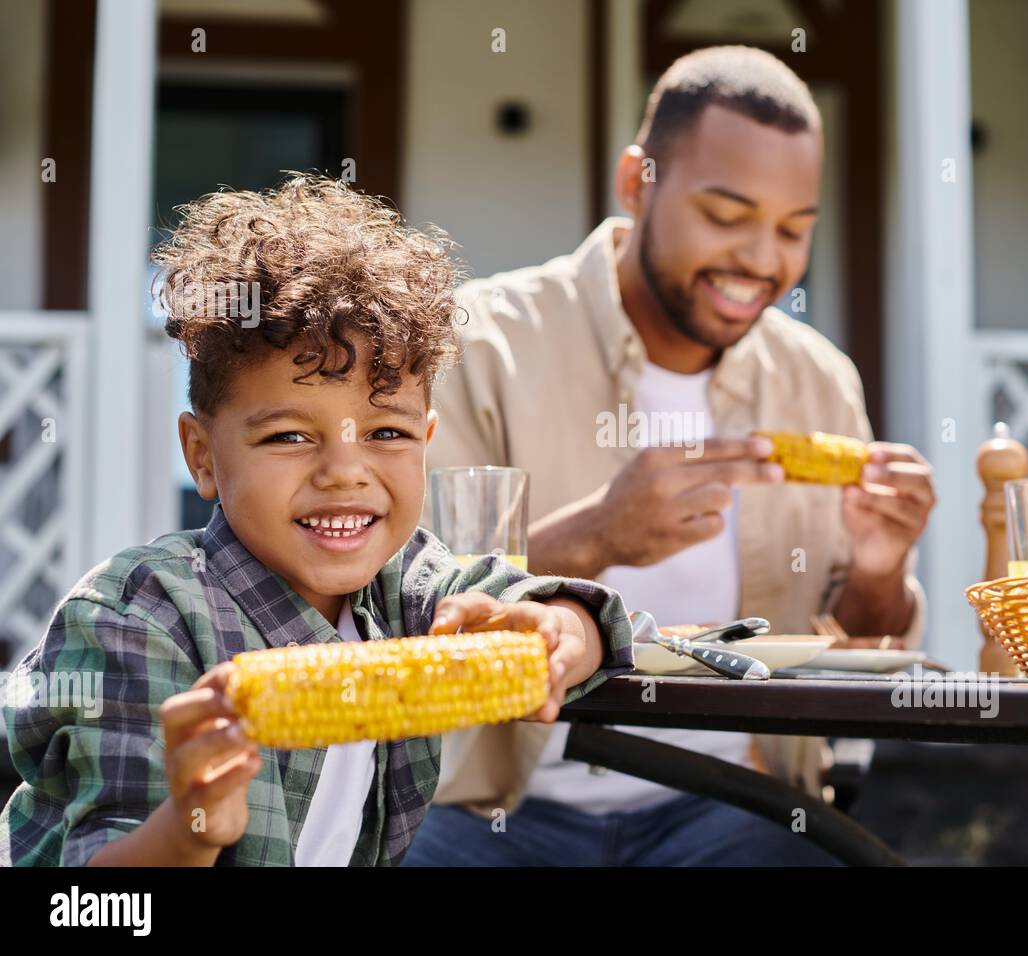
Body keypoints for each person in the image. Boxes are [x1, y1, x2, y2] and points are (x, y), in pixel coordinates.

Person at [0, 176, 632, 866]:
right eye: (290, 438)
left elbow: (532, 601)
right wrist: (188, 828)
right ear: (202, 457)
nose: (344, 472)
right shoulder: (138, 621)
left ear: (426, 437)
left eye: (386, 435)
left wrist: (563, 630)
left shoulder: (405, 585)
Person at [405, 46, 935, 867]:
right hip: (490, 809)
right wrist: (597, 537)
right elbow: (409, 607)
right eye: (727, 215)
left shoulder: (818, 381)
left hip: (728, 806)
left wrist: (876, 572)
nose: (763, 261)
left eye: (794, 229)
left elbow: (854, 656)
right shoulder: (480, 344)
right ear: (636, 183)